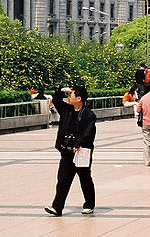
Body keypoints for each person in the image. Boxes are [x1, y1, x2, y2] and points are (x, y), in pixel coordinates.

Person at [44, 86, 97, 217]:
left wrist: (80, 143)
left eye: (71, 95)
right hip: (67, 152)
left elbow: (89, 132)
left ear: (79, 98)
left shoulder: (89, 114)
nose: (69, 97)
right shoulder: (66, 110)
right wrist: (62, 91)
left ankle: (89, 204)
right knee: (63, 179)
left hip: (81, 151)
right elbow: (56, 100)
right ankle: (57, 207)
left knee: (85, 178)